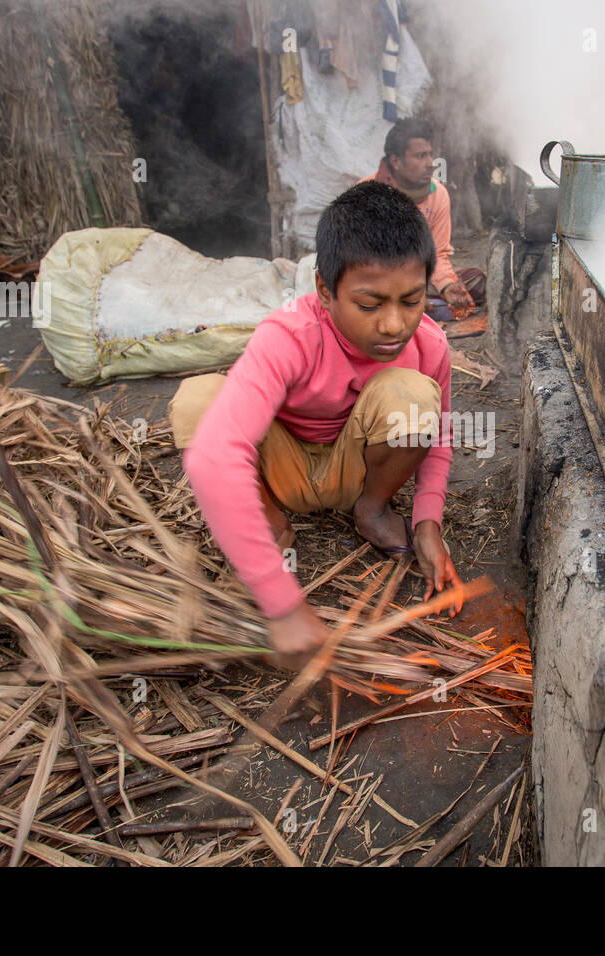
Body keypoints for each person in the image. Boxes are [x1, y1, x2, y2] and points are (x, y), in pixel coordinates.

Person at [175, 181, 463, 659]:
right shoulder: (289, 335)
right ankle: (273, 525)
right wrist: (281, 604)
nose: (393, 324)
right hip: (280, 471)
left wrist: (428, 521)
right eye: (369, 304)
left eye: (411, 301)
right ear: (325, 292)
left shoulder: (429, 344)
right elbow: (214, 455)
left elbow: (440, 436)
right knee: (198, 402)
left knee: (412, 394)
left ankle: (371, 511)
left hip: (359, 472)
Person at [363, 118, 486, 317]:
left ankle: (418, 307)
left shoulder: (438, 194)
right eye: (421, 156)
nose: (430, 164)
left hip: (418, 277)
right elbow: (360, 262)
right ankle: (411, 306)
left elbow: (437, 254)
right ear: (396, 161)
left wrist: (447, 286)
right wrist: (404, 292)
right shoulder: (366, 194)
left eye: (430, 155)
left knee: (477, 280)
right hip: (377, 280)